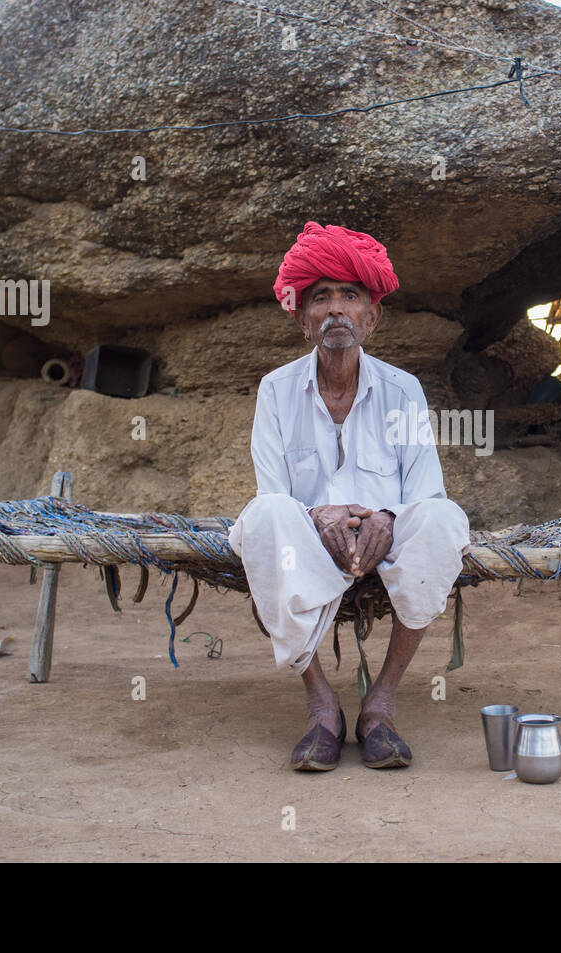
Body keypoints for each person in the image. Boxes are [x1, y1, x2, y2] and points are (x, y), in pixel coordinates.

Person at [228, 221, 470, 771]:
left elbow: (426, 488)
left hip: (387, 540)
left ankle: (380, 703)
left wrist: (387, 515)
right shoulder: (276, 389)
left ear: (371, 316)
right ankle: (321, 705)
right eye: (321, 298)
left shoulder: (403, 388)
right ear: (301, 318)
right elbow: (274, 493)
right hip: (311, 540)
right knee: (263, 517)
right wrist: (321, 516)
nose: (336, 310)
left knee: (441, 519)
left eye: (350, 296)